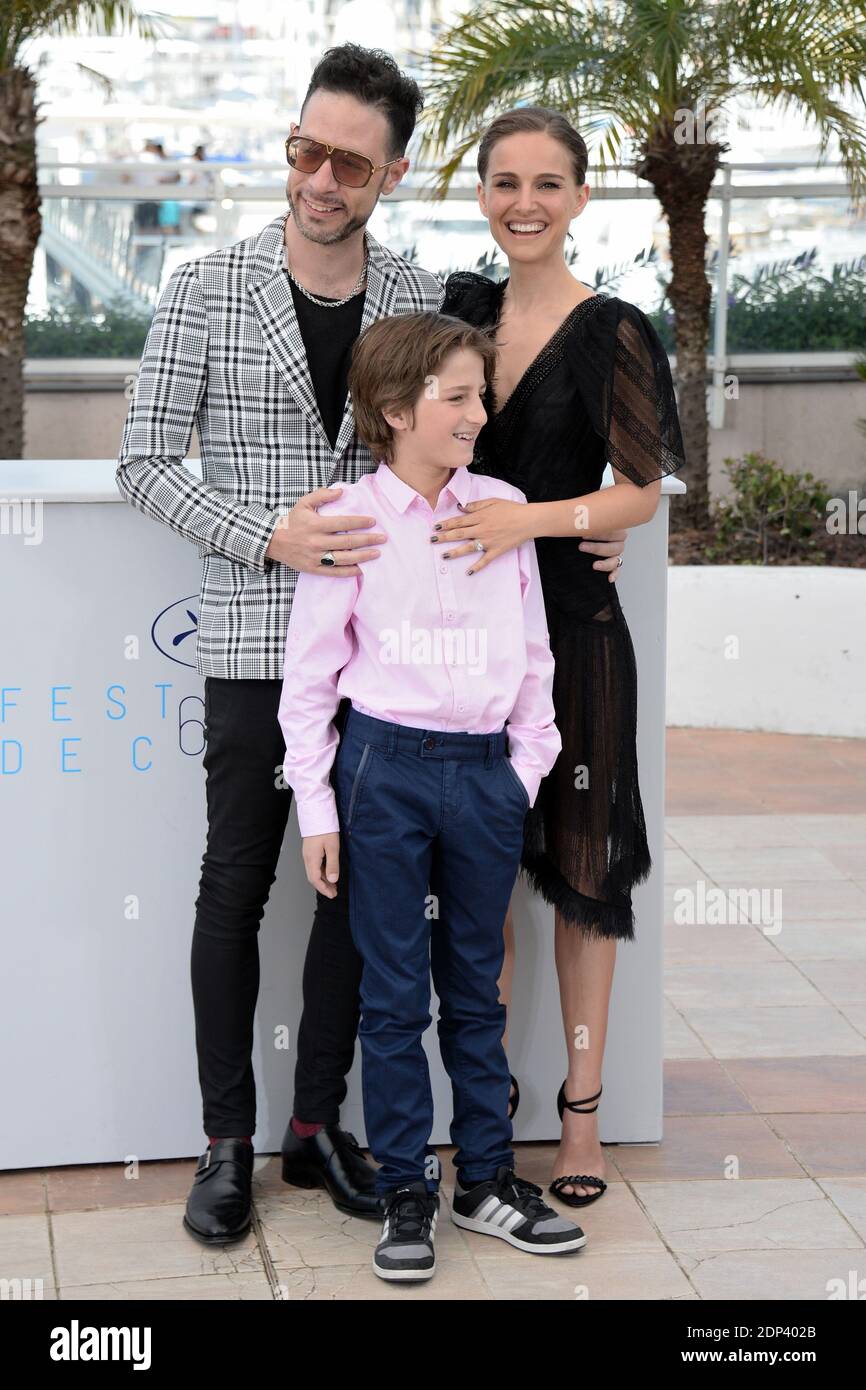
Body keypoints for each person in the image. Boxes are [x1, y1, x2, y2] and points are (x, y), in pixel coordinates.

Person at [115, 45, 627, 1246]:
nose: (320, 178)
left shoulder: (421, 290)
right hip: (257, 630)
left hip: (399, 663)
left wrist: (584, 525)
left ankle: (318, 1132)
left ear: (390, 171)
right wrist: (268, 536)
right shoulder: (202, 284)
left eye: (348, 160)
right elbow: (141, 463)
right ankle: (224, 1141)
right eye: (305, 151)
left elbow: (494, 421)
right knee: (236, 885)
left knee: (363, 914)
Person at [278, 310, 586, 1281]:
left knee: (475, 988)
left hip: (485, 773)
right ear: (392, 409)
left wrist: (523, 768)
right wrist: (318, 811)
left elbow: (533, 652)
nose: (475, 412)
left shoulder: (501, 508)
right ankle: (405, 1186)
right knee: (392, 992)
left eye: (478, 393)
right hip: (383, 771)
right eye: (455, 397)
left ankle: (485, 1179)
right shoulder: (351, 522)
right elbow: (310, 679)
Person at [440, 106, 686, 1208]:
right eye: (503, 182)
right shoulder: (457, 310)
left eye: (546, 183)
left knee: (583, 880)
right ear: (481, 193)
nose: (523, 203)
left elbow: (639, 491)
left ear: (580, 198)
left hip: (573, 638)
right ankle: (479, 1120)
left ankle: (578, 1118)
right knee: (472, 884)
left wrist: (527, 521)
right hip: (454, 640)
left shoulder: (615, 330)